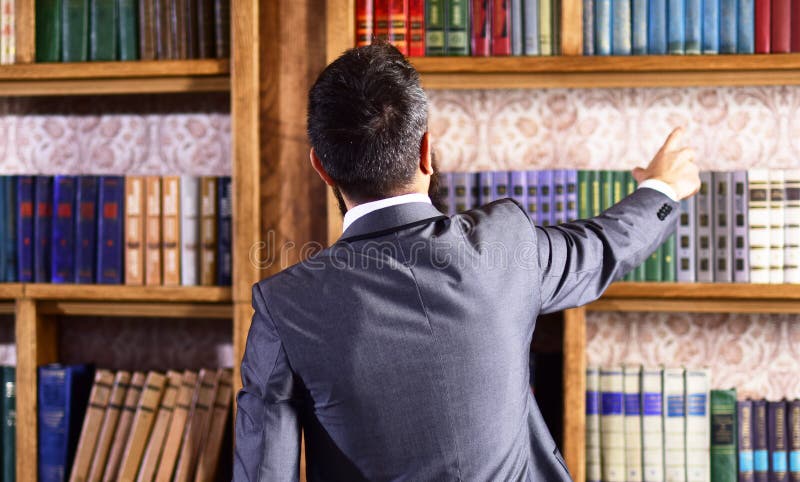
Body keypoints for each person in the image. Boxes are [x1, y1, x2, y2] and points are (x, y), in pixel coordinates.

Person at [234, 43, 700, 482]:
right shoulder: (506, 247)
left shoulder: (285, 306)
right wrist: (664, 188)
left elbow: (263, 472)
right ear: (426, 151)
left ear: (321, 167)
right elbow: (601, 247)